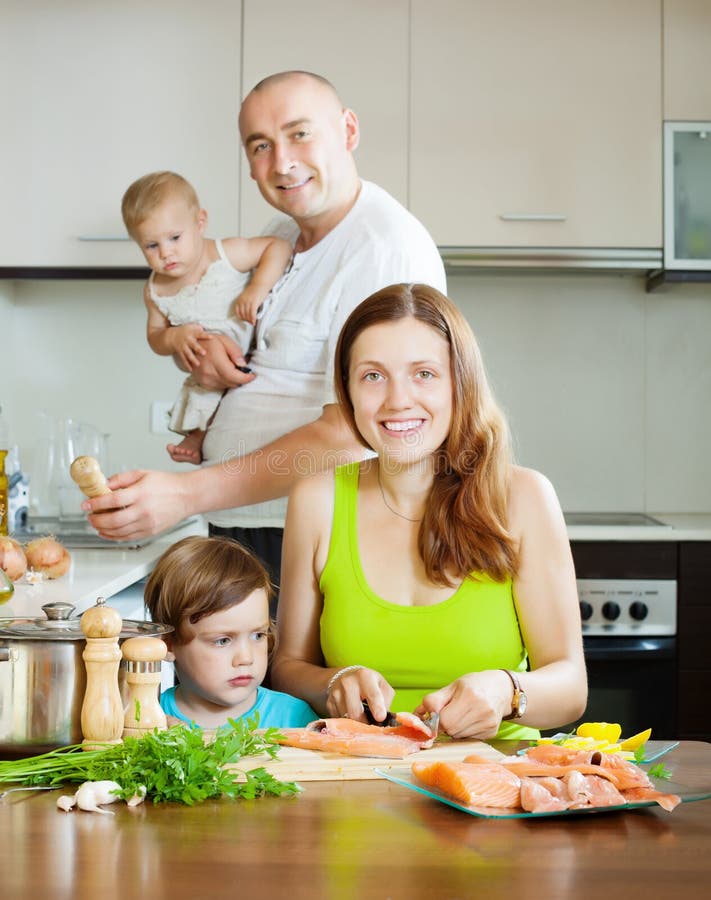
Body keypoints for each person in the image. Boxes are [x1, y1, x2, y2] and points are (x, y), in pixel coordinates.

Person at [84, 71, 446, 592]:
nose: (281, 162)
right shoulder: (280, 238)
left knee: (304, 677)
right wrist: (214, 359)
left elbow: (351, 433)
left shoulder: (384, 249)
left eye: (300, 134)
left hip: (322, 539)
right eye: (260, 145)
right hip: (250, 527)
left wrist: (187, 495)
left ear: (347, 131)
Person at [270, 283, 587, 742]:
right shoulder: (316, 500)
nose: (398, 400)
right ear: (348, 391)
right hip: (355, 779)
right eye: (373, 376)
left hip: (493, 784)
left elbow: (570, 687)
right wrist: (332, 681)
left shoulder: (525, 498)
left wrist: (507, 691)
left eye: (424, 374)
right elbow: (287, 668)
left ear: (460, 383)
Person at [122, 171, 292, 465]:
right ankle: (198, 437)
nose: (166, 253)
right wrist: (173, 337)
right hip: (208, 369)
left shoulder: (225, 254)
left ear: (200, 222)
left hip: (255, 356)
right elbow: (155, 336)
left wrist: (256, 287)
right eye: (151, 246)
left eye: (175, 238)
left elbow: (277, 247)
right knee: (204, 393)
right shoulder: (155, 290)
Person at [143, 534, 316, 729]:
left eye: (258, 635)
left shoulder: (297, 719)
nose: (246, 658)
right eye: (223, 641)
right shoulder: (145, 719)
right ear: (167, 644)